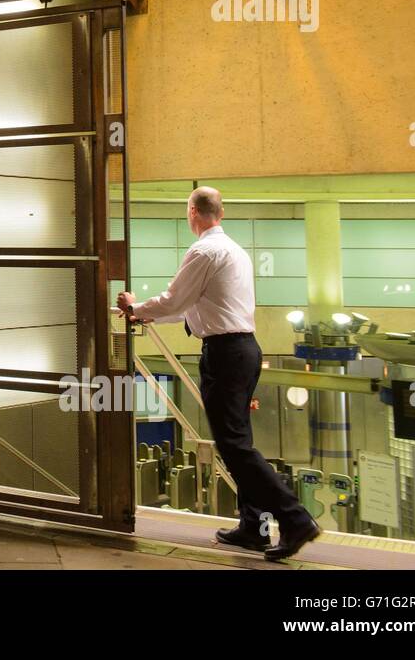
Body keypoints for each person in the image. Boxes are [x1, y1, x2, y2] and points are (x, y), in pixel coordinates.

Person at [117, 187, 321, 561]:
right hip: (244, 349)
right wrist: (143, 313)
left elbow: (174, 300)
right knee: (238, 440)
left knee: (234, 446)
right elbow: (187, 309)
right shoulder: (235, 251)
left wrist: (135, 307)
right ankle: (253, 526)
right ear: (220, 212)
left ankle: (295, 520)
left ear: (193, 212)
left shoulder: (203, 251)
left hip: (226, 354)